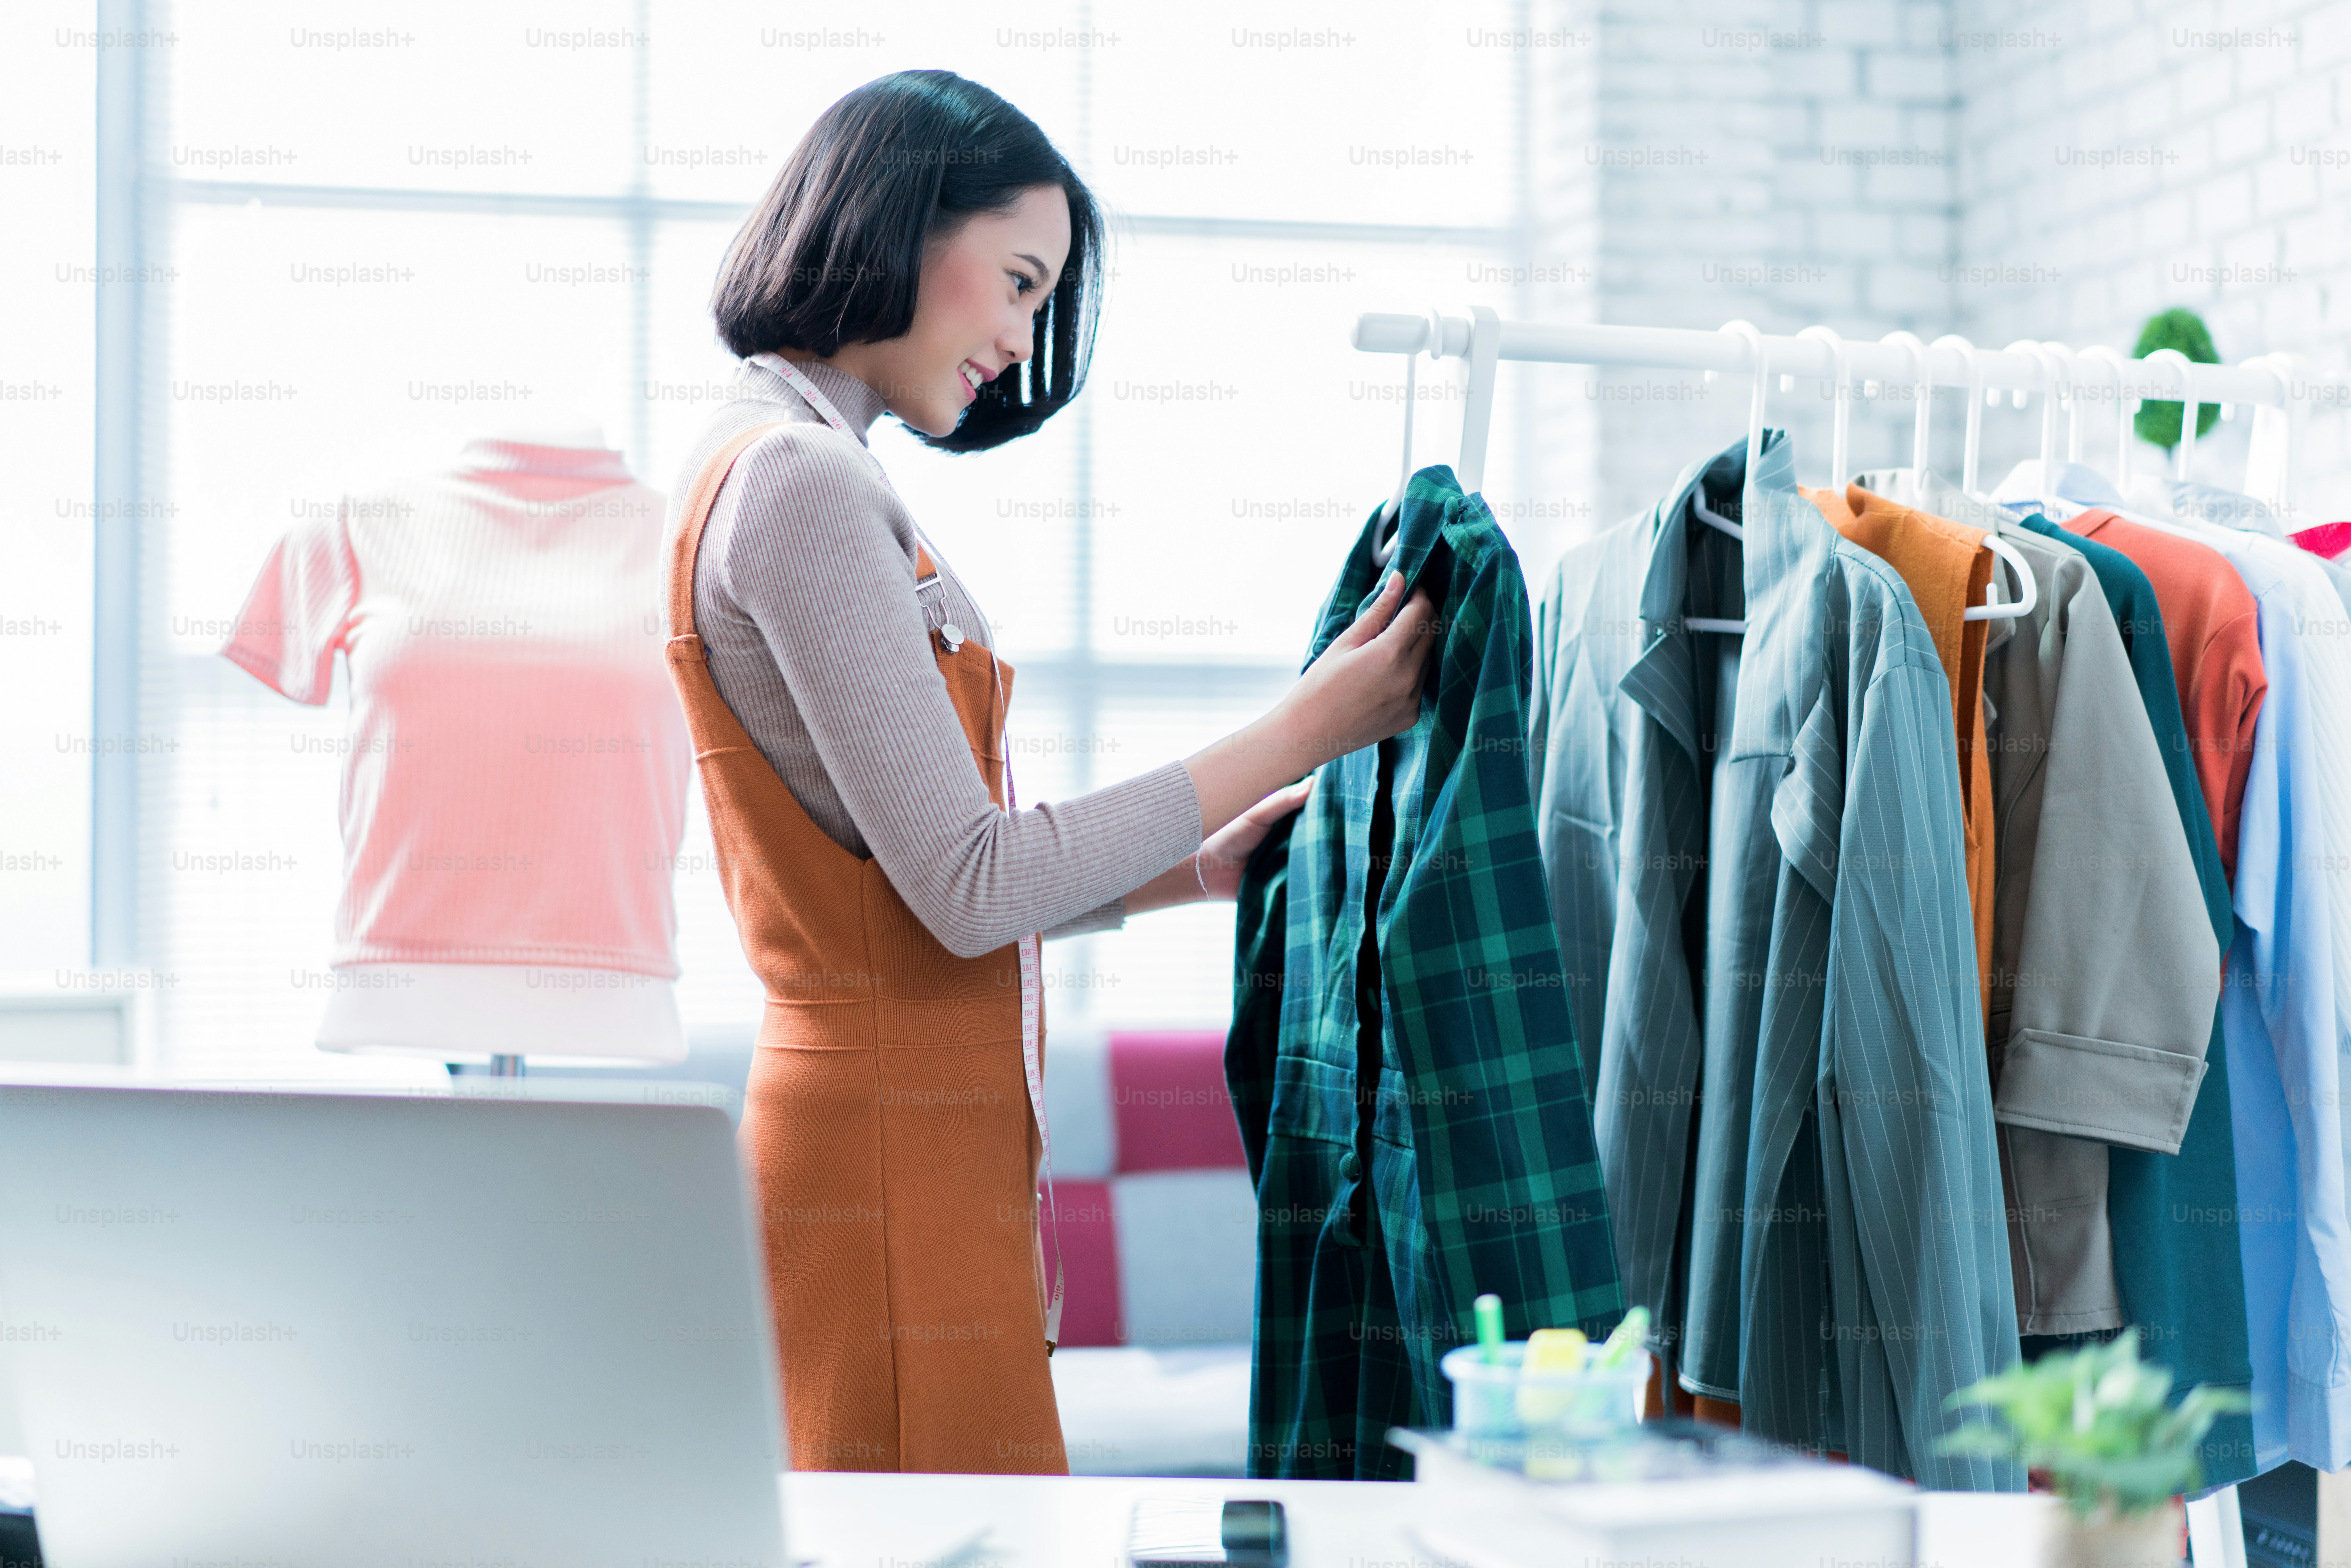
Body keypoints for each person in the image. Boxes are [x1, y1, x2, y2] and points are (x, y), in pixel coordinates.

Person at [665, 68, 1435, 1476]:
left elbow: (905, 883)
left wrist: (1180, 875)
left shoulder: (786, 464)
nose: (1021, 339)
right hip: (890, 1162)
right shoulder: (801, 484)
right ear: (896, 222)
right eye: (1017, 281)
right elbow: (971, 885)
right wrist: (1308, 724)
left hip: (908, 1148)